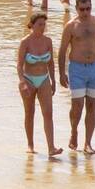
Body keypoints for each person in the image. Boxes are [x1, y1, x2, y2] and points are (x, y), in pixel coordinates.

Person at [58, 0, 95, 155]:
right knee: (77, 106)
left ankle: (88, 143)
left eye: (88, 8)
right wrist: (61, 73)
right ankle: (74, 131)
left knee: (92, 105)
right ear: (76, 9)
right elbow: (62, 50)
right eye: (82, 9)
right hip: (76, 68)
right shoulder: (71, 26)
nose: (85, 12)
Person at [17, 12, 63, 158]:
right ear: (32, 25)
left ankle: (51, 148)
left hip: (44, 79)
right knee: (29, 113)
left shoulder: (48, 41)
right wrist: (22, 82)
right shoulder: (25, 42)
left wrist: (54, 80)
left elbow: (50, 62)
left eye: (44, 24)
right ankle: (30, 145)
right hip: (28, 80)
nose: (42, 27)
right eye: (39, 25)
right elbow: (19, 65)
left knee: (48, 113)